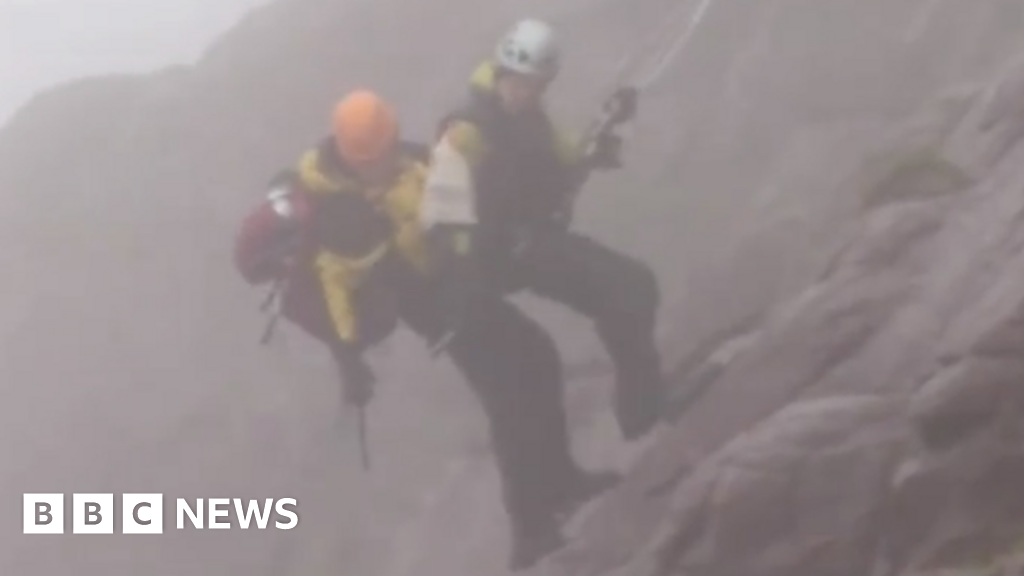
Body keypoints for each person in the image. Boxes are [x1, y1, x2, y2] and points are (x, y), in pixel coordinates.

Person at [233, 89, 616, 570]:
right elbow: (335, 281)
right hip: (434, 304)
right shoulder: (342, 214)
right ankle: (532, 529)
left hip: (451, 282)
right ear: (357, 156)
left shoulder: (392, 163)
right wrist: (347, 352)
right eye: (380, 147)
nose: (390, 150)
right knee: (510, 395)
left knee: (536, 357)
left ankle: (558, 483)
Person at [421, 19, 666, 444]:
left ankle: (641, 404)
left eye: (537, 84)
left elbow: (564, 159)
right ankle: (642, 407)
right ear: (501, 72)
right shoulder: (467, 132)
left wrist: (600, 143)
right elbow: (443, 210)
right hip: (511, 252)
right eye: (520, 82)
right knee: (628, 289)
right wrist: (461, 280)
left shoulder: (529, 116)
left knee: (635, 287)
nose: (527, 92)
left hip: (534, 239)